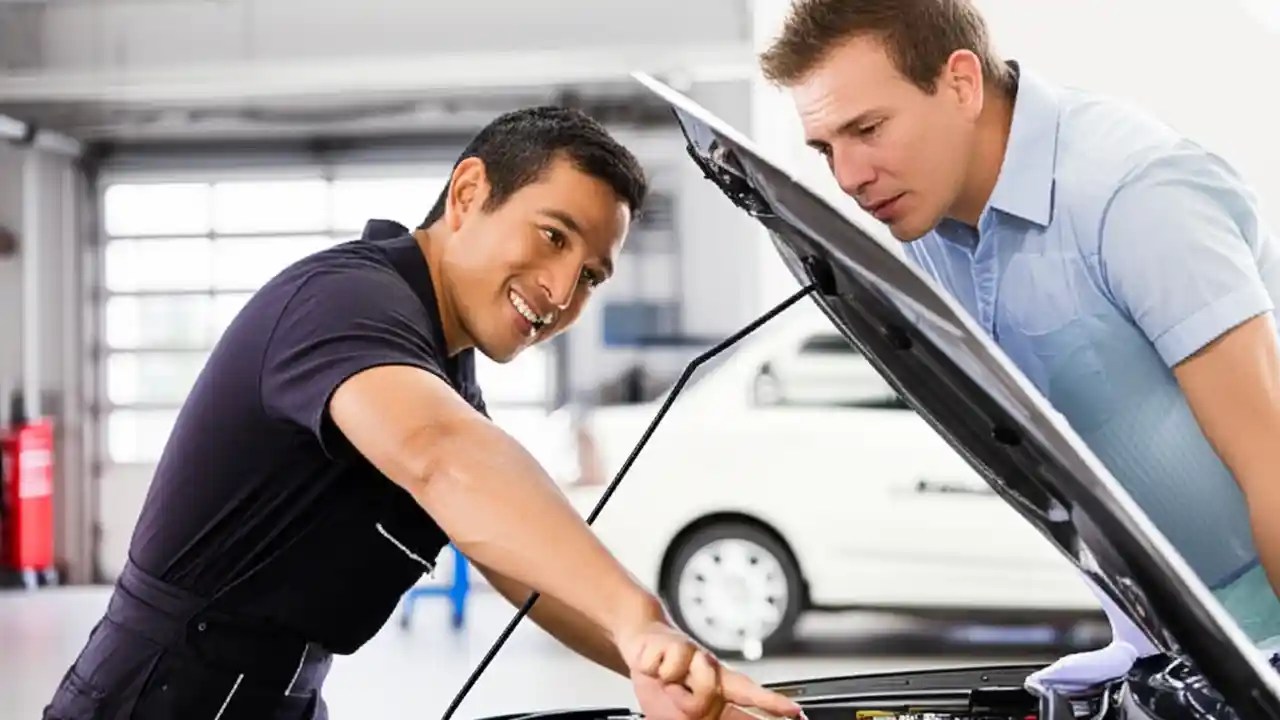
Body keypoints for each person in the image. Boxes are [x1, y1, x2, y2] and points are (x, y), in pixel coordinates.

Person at [44, 107, 803, 720]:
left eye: (592, 275)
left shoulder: (443, 367)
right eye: (552, 236)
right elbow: (445, 455)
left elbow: (523, 571)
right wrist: (634, 614)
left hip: (280, 694)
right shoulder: (344, 304)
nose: (564, 290)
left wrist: (658, 655)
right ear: (469, 193)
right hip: (160, 695)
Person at [756, 0, 1280, 667]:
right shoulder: (929, 217)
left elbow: (1273, 460)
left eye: (869, 128)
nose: (850, 177)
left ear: (961, 84)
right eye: (826, 148)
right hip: (1171, 624)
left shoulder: (1133, 195)